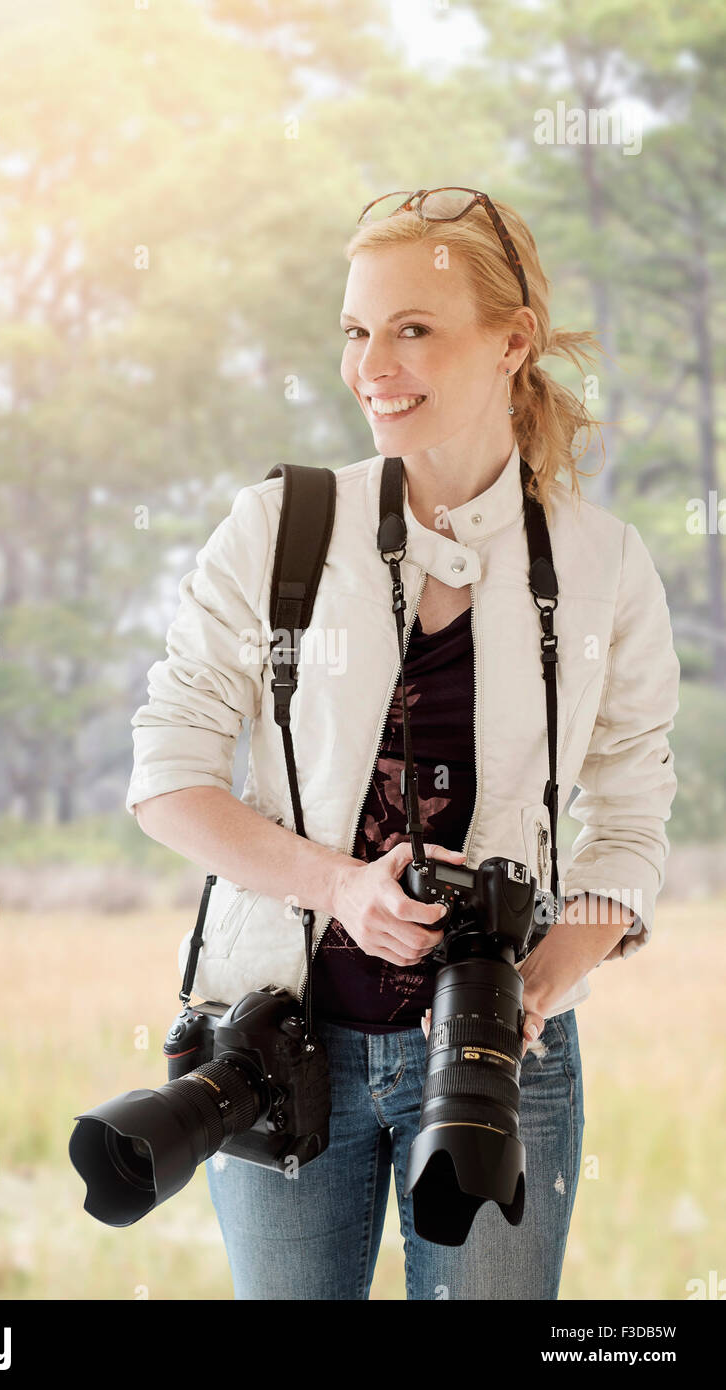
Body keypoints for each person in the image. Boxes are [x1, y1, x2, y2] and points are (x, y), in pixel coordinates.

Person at [125, 189, 680, 1300]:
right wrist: (338, 886)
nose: (370, 363)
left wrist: (534, 990)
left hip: (497, 1061)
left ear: (510, 341)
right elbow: (168, 779)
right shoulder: (277, 528)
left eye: (412, 327)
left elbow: (628, 829)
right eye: (354, 331)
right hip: (274, 1048)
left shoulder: (603, 565)